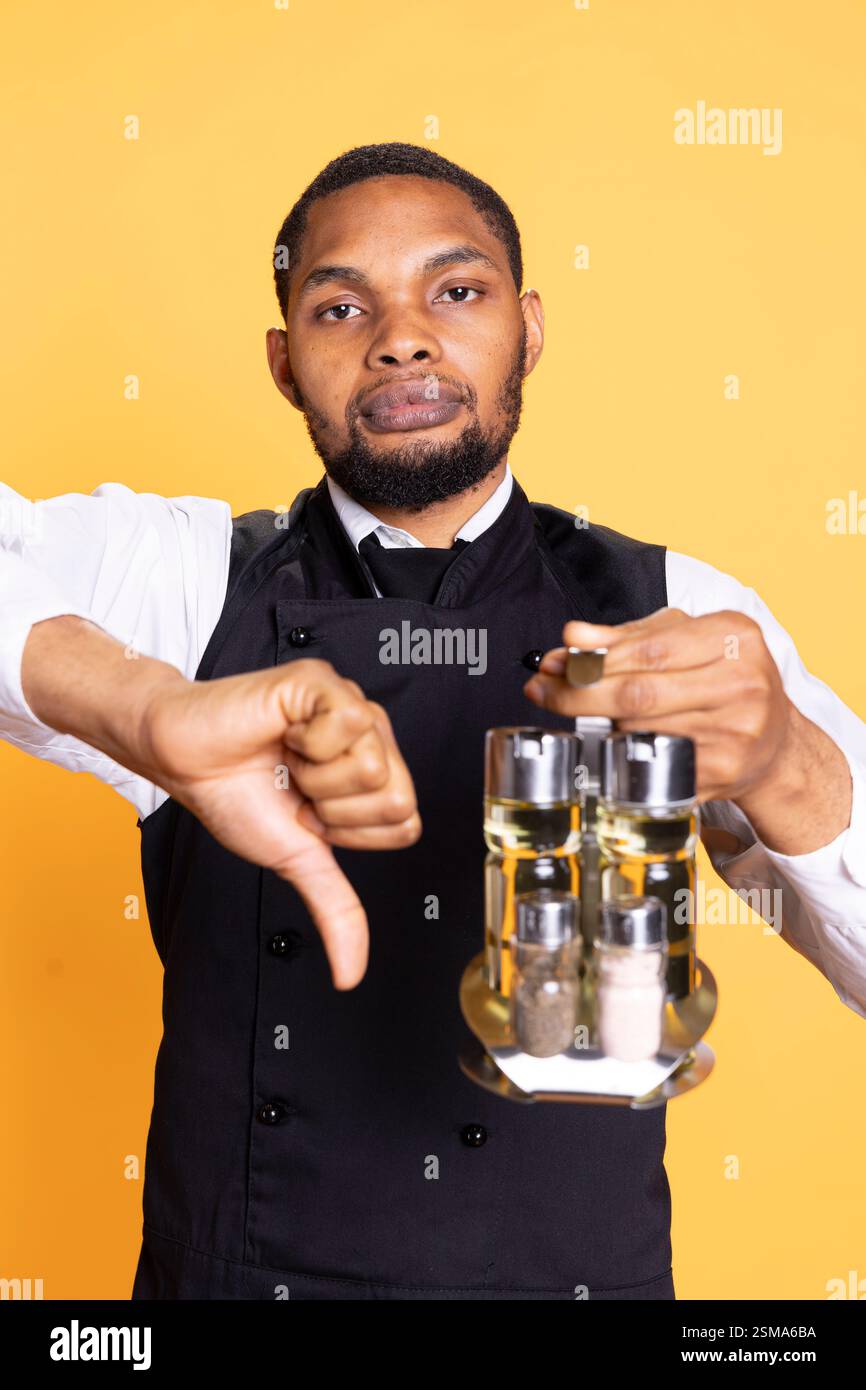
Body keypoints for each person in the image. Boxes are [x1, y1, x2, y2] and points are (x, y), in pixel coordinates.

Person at [2, 142, 865, 1302]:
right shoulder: (183, 581)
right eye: (340, 303)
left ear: (532, 326)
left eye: (455, 291)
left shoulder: (683, 612)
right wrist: (144, 704)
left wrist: (791, 772)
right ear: (280, 360)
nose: (400, 336)